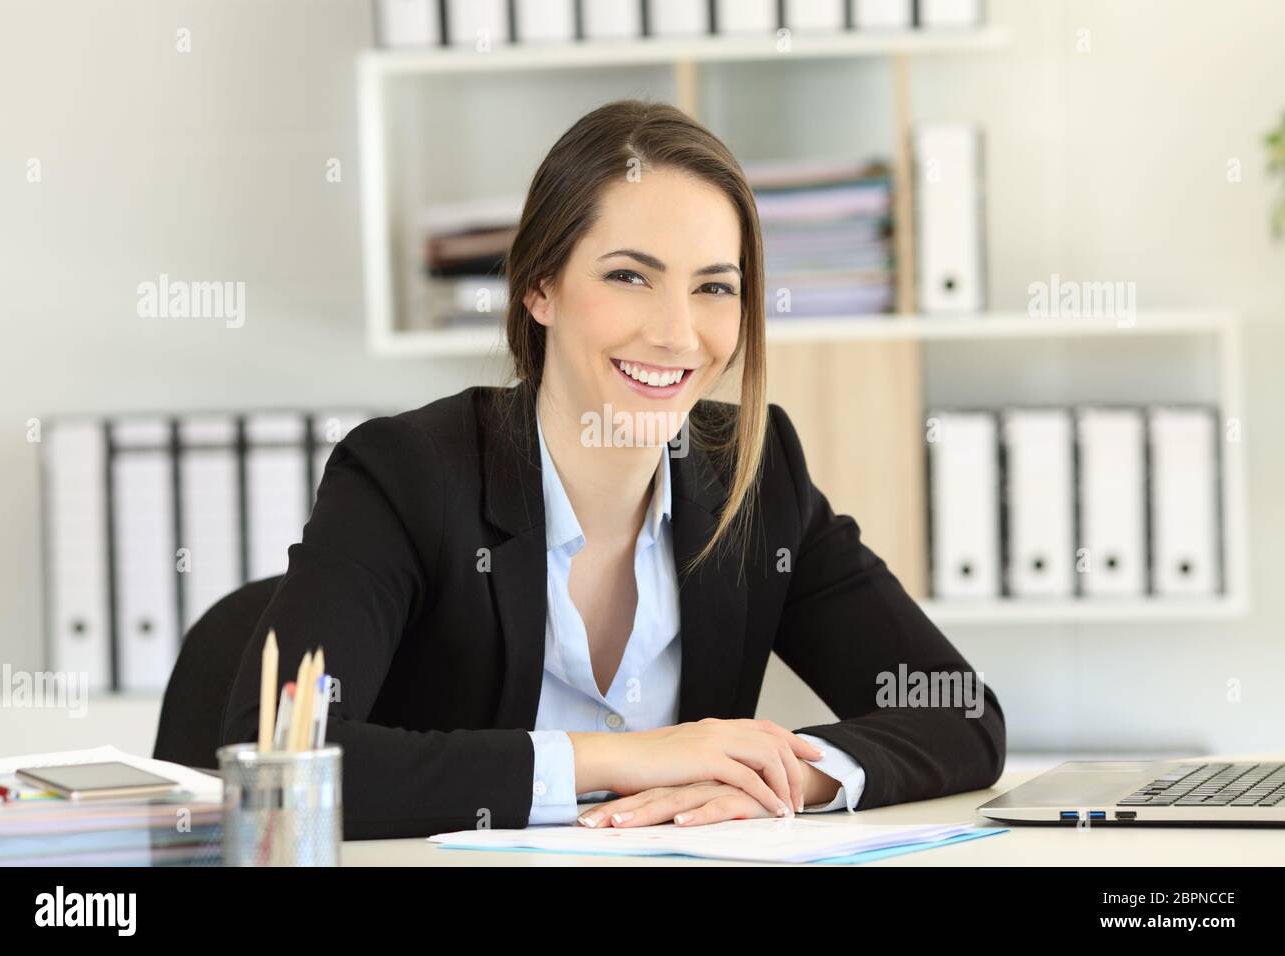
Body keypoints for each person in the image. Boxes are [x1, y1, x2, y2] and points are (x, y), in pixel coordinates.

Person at [222, 99, 1005, 840]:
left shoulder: (757, 478)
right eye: (629, 276)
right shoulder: (407, 475)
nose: (675, 332)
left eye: (713, 288)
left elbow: (959, 712)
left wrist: (784, 780)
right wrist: (625, 758)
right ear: (540, 287)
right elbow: (279, 764)